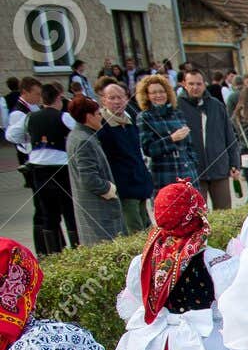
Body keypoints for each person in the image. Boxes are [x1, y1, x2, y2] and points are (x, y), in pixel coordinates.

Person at [102, 181, 237, 350]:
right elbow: (232, 303)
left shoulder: (144, 260)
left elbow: (137, 297)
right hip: (201, 343)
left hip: (152, 342)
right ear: (198, 214)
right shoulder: (216, 261)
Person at [20, 84, 77, 255]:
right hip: (61, 168)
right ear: (58, 98)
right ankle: (76, 249)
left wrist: (29, 145)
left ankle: (53, 252)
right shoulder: (64, 117)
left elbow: (12, 135)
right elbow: (79, 130)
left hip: (39, 168)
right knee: (69, 210)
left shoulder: (30, 117)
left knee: (48, 212)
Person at [95, 81, 154, 232]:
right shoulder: (102, 126)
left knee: (147, 226)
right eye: (112, 98)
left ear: (127, 99)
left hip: (139, 182)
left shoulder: (130, 122)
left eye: (120, 97)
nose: (117, 102)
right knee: (135, 229)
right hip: (123, 186)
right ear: (104, 100)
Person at [64, 96, 125, 245]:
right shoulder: (84, 140)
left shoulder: (78, 135)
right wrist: (110, 188)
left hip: (94, 209)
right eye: (98, 114)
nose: (101, 117)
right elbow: (89, 179)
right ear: (89, 116)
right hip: (99, 210)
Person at [177, 68, 240, 210]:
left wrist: (234, 163)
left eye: (198, 84)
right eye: (191, 84)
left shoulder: (216, 105)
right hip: (193, 171)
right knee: (197, 215)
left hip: (219, 168)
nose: (195, 87)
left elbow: (229, 135)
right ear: (184, 84)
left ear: (204, 84)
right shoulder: (177, 107)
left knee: (224, 212)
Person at [137, 74, 199, 194]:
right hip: (164, 174)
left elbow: (189, 144)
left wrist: (193, 162)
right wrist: (171, 139)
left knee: (193, 210)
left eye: (162, 91)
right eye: (153, 92)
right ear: (147, 96)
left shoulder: (177, 113)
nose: (158, 95)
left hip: (186, 172)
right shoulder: (144, 117)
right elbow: (148, 149)